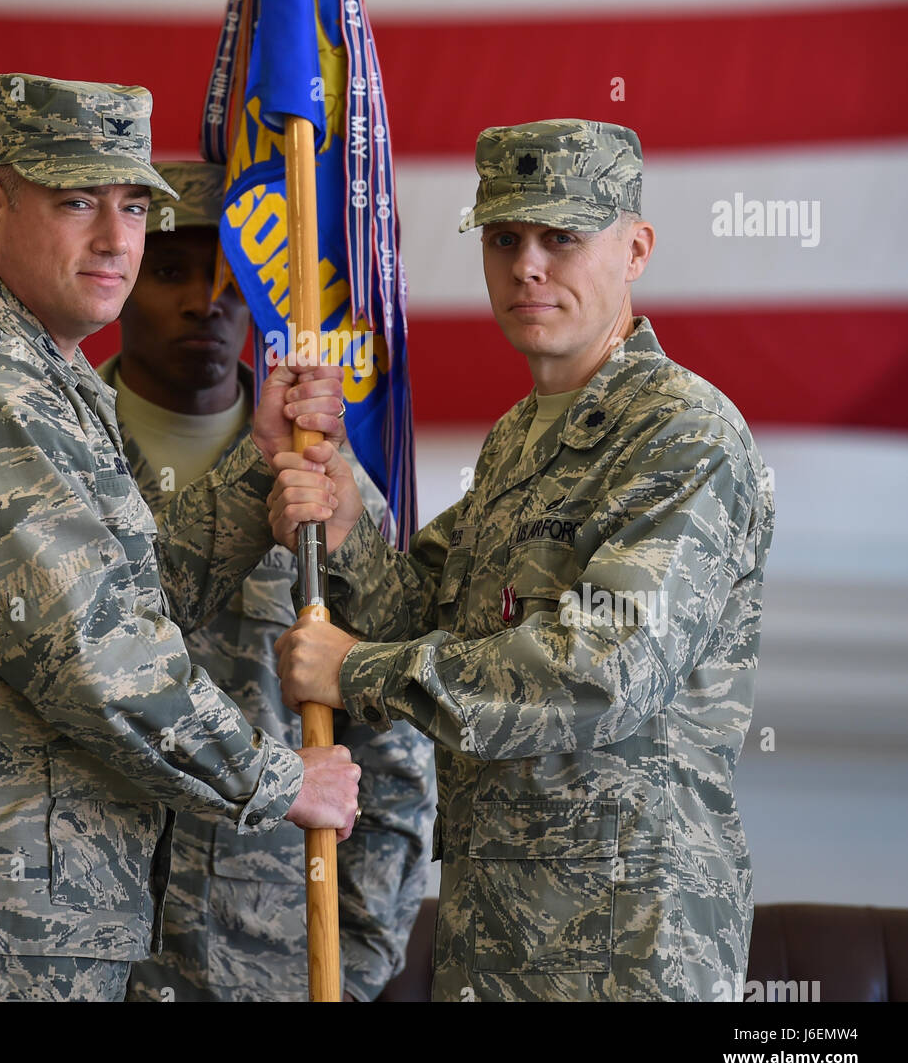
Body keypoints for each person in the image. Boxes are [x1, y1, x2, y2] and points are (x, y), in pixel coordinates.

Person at [0, 73, 359, 1003]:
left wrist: (259, 468)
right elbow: (98, 657)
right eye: (75, 203)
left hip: (9, 920)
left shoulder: (39, 372)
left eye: (134, 206)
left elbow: (128, 597)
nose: (115, 240)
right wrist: (275, 781)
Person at [269, 120, 775, 1002]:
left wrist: (364, 676)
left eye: (562, 238)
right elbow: (432, 611)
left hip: (626, 949)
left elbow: (602, 670)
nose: (527, 266)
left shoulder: (682, 434)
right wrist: (349, 515)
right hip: (497, 939)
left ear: (636, 248)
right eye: (505, 238)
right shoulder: (518, 439)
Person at [96, 160, 435, 1003]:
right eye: (171, 270)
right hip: (86, 958)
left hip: (276, 958)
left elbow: (392, 746)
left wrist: (357, 958)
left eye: (232, 278)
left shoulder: (327, 488)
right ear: (123, 271)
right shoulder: (62, 463)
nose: (204, 301)